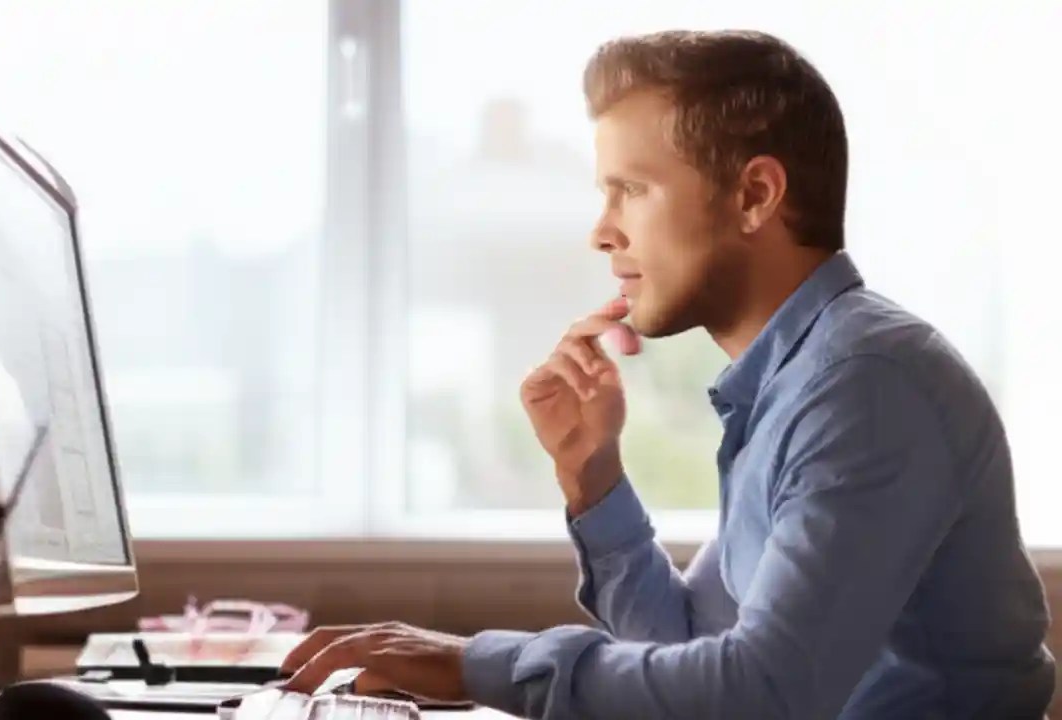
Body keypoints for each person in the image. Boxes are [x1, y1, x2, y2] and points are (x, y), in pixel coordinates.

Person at [280, 30, 1056, 719]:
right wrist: (595, 481)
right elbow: (694, 654)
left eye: (633, 189)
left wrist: (470, 664)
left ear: (754, 195)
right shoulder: (795, 382)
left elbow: (761, 694)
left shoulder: (868, 384)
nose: (602, 230)